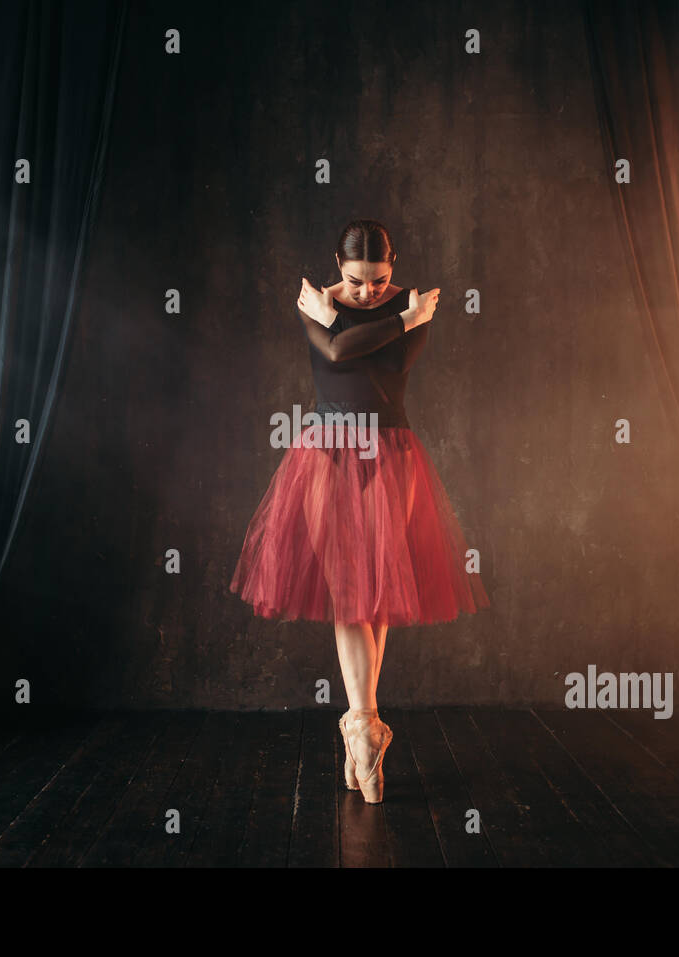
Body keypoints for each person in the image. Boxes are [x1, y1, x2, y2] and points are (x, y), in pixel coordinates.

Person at [229, 219, 489, 803]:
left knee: (380, 595)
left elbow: (388, 370)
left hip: (391, 451)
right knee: (351, 592)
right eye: (356, 281)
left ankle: (359, 728)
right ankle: (365, 728)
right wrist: (401, 320)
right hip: (326, 453)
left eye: (380, 281)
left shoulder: (394, 305)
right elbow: (340, 351)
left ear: (393, 267)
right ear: (337, 266)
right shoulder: (330, 302)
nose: (368, 292)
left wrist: (386, 319)